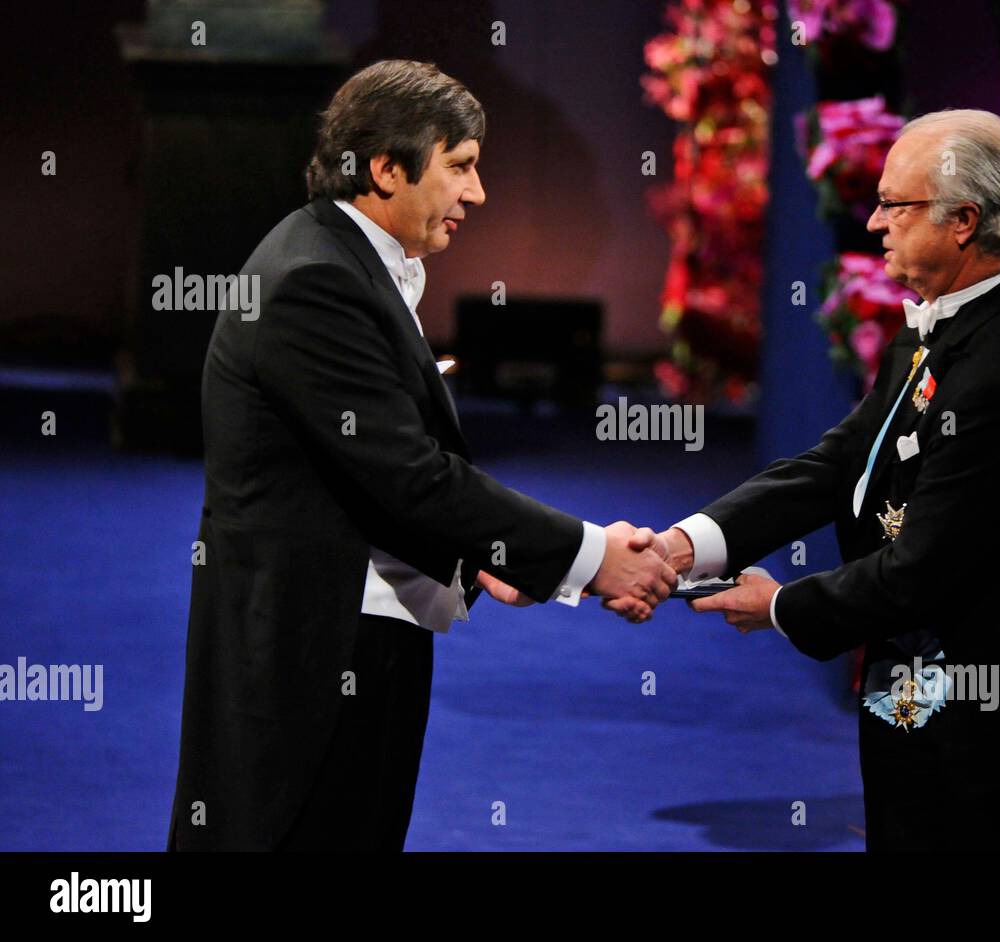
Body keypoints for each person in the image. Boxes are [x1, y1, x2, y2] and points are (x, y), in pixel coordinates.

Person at [167, 60, 675, 852]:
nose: (478, 194)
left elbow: (362, 472)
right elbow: (409, 477)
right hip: (317, 651)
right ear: (384, 168)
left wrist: (482, 560)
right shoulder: (315, 282)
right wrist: (589, 556)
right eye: (461, 167)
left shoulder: (344, 259)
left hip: (360, 627)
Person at [645, 110, 1000, 852]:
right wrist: (690, 545)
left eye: (896, 204)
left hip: (983, 735)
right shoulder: (946, 326)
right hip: (916, 697)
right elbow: (835, 463)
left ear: (963, 221)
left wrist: (783, 606)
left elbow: (920, 573)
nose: (876, 222)